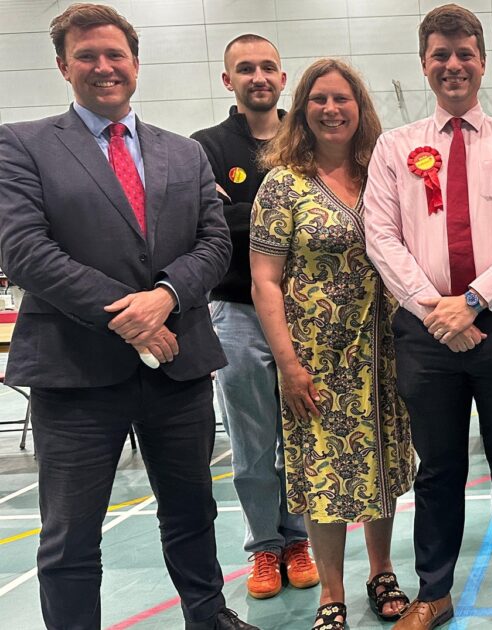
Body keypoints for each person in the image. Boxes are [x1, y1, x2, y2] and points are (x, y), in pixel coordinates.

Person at [0, 4, 253, 629]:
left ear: (135, 64)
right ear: (64, 66)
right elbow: (25, 249)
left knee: (193, 513)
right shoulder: (22, 145)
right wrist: (127, 314)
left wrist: (164, 297)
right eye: (87, 55)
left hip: (179, 366)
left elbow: (214, 242)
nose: (103, 67)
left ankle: (208, 615)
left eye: (115, 55)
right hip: (75, 372)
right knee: (71, 535)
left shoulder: (184, 153)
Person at [363, 5, 492, 630]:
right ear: (424, 65)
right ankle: (433, 591)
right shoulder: (395, 149)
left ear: (481, 61)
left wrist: (471, 301)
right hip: (424, 335)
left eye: (464, 54)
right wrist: (435, 310)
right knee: (439, 469)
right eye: (440, 55)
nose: (453, 65)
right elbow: (382, 238)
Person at [249, 58, 415, 630]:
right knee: (324, 472)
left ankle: (382, 570)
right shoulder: (282, 185)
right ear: (302, 109)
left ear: (359, 108)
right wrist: (287, 364)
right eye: (318, 98)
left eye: (342, 98)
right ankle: (330, 592)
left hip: (384, 352)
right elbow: (264, 280)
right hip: (315, 359)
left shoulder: (383, 175)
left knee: (383, 465)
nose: (331, 108)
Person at [191, 33, 319, 601]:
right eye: (246, 69)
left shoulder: (309, 135)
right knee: (251, 440)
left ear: (283, 77)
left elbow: (322, 213)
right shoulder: (205, 147)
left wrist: (249, 212)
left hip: (309, 313)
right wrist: (278, 212)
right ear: (229, 81)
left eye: (269, 66)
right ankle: (264, 547)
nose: (259, 77)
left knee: (303, 436)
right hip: (237, 310)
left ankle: (298, 540)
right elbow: (215, 226)